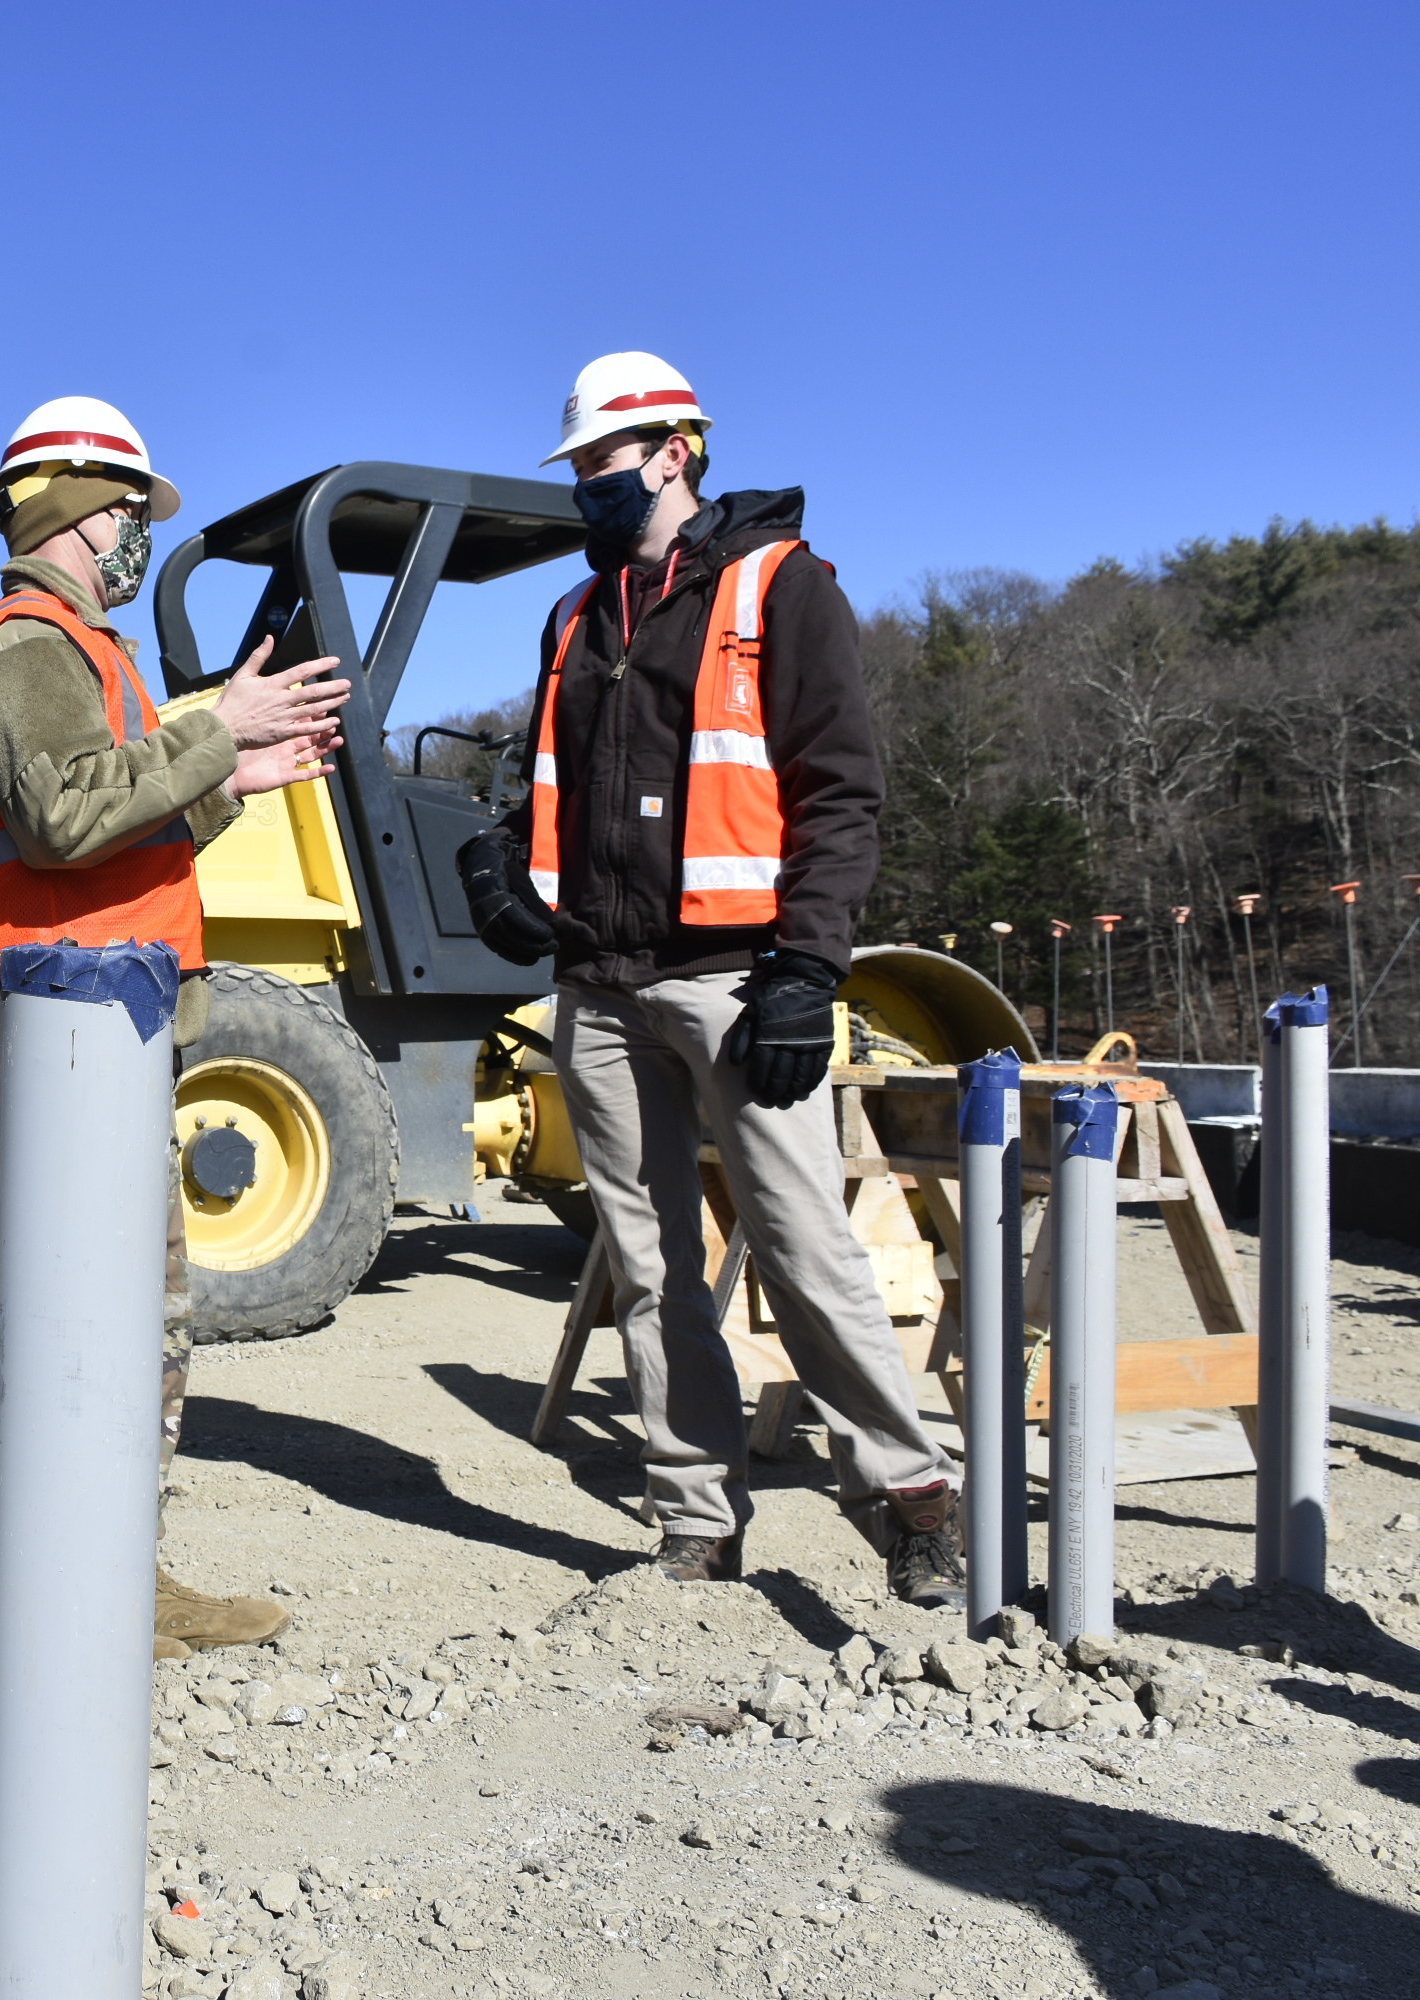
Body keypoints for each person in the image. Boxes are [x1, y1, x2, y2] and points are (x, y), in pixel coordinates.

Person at [457, 353, 969, 1607]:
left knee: (802, 1245)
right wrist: (516, 882)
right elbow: (549, 786)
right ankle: (694, 1518)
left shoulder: (780, 588)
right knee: (646, 1265)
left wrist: (808, 967)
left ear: (674, 451)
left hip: (738, 982)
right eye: (578, 466)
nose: (586, 485)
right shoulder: (575, 616)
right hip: (601, 986)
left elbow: (836, 792)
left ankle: (908, 1497)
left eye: (599, 462)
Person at [0, 395, 350, 1657]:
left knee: (124, 1317)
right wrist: (213, 731)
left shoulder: (85, 653)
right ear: (66, 503)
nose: (134, 530)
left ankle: (108, 1570)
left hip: (105, 1037)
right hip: (56, 1040)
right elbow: (63, 817)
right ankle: (47, 1591)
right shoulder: (23, 649)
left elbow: (112, 835)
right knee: (77, 1317)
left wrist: (225, 777)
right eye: (126, 507)